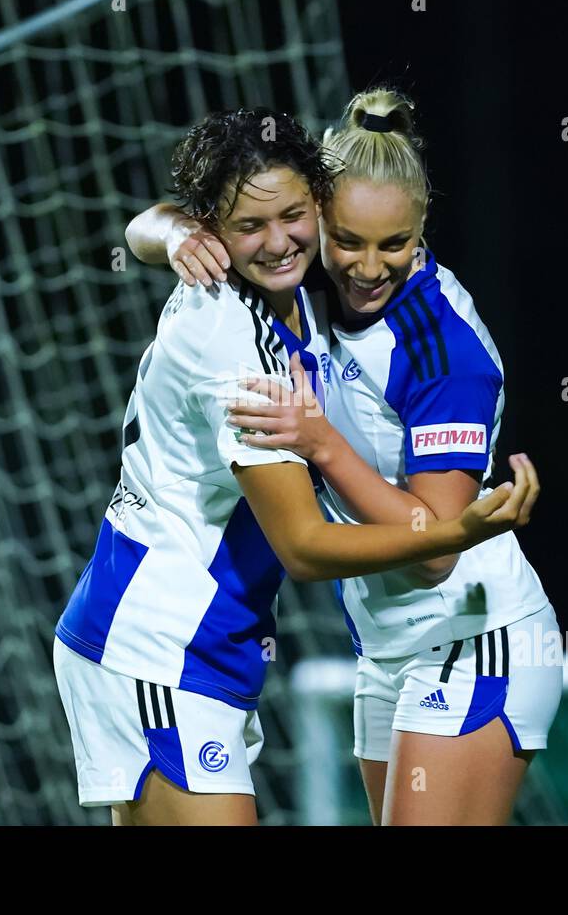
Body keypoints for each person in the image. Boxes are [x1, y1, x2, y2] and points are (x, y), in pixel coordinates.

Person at [56, 106, 539, 826]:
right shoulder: (243, 344)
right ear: (213, 231)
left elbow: (156, 227)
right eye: (249, 226)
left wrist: (172, 231)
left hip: (455, 637)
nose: (281, 242)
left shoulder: (350, 315)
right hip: (161, 643)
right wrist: (452, 531)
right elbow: (307, 546)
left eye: (292, 218)